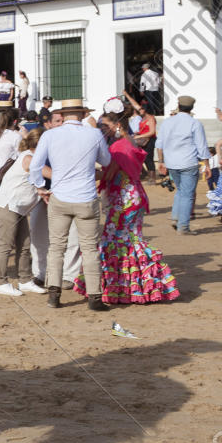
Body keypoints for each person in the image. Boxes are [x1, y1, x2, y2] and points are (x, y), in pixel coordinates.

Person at [73, 110, 178, 305]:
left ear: (117, 125)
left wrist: (84, 174)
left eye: (105, 125)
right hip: (132, 195)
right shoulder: (130, 142)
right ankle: (140, 285)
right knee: (132, 238)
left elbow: (110, 173)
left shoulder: (119, 146)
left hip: (123, 198)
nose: (102, 128)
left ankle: (123, 286)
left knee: (117, 239)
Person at [29, 99, 111, 310]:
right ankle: (94, 297)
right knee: (90, 249)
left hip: (60, 197)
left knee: (56, 247)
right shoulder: (93, 134)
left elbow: (35, 165)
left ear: (63, 115)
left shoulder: (50, 134)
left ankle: (54, 294)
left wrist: (40, 187)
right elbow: (106, 161)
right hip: (85, 197)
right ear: (83, 114)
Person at [0, 127, 41, 295]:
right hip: (8, 205)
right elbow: (45, 174)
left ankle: (25, 279)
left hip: (18, 207)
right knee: (6, 245)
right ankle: (0, 282)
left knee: (24, 244)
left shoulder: (31, 155)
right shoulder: (29, 157)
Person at [155, 95, 209, 234]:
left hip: (171, 162)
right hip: (188, 161)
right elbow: (202, 146)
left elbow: (159, 144)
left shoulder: (167, 122)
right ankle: (183, 226)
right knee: (187, 194)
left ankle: (176, 217)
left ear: (178, 106)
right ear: (192, 108)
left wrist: (161, 161)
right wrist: (207, 164)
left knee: (181, 191)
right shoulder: (194, 123)